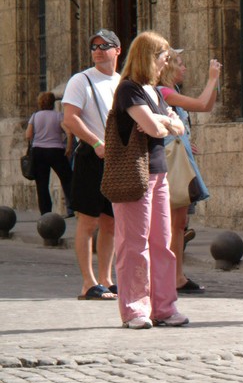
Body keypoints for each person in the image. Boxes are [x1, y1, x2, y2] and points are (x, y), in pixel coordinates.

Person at [109, 32, 188, 329]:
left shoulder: (153, 91)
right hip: (134, 175)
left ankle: (164, 308)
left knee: (161, 243)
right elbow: (154, 128)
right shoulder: (129, 90)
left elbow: (174, 125)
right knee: (134, 245)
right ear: (148, 58)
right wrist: (163, 123)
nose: (165, 65)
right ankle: (134, 310)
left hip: (159, 173)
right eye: (163, 59)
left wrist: (164, 122)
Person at [61, 29, 123, 301]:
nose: (97, 50)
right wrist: (97, 144)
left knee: (110, 222)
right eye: (94, 46)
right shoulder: (81, 80)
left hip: (116, 160)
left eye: (104, 45)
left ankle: (106, 279)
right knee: (88, 222)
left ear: (117, 50)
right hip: (90, 156)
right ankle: (88, 283)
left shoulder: (122, 82)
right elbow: (70, 119)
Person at [157, 48, 221, 294]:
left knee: (179, 223)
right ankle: (171, 276)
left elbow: (207, 105)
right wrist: (212, 78)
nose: (184, 68)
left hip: (180, 162)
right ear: (169, 68)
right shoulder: (164, 92)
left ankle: (177, 275)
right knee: (172, 224)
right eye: (180, 64)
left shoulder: (172, 93)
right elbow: (203, 105)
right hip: (170, 167)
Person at [24, 91, 73, 216]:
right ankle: (72, 208)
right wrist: (68, 147)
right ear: (52, 103)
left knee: (42, 184)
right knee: (67, 179)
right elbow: (68, 132)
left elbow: (28, 135)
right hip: (56, 150)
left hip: (38, 151)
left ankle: (46, 213)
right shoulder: (58, 116)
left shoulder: (35, 116)